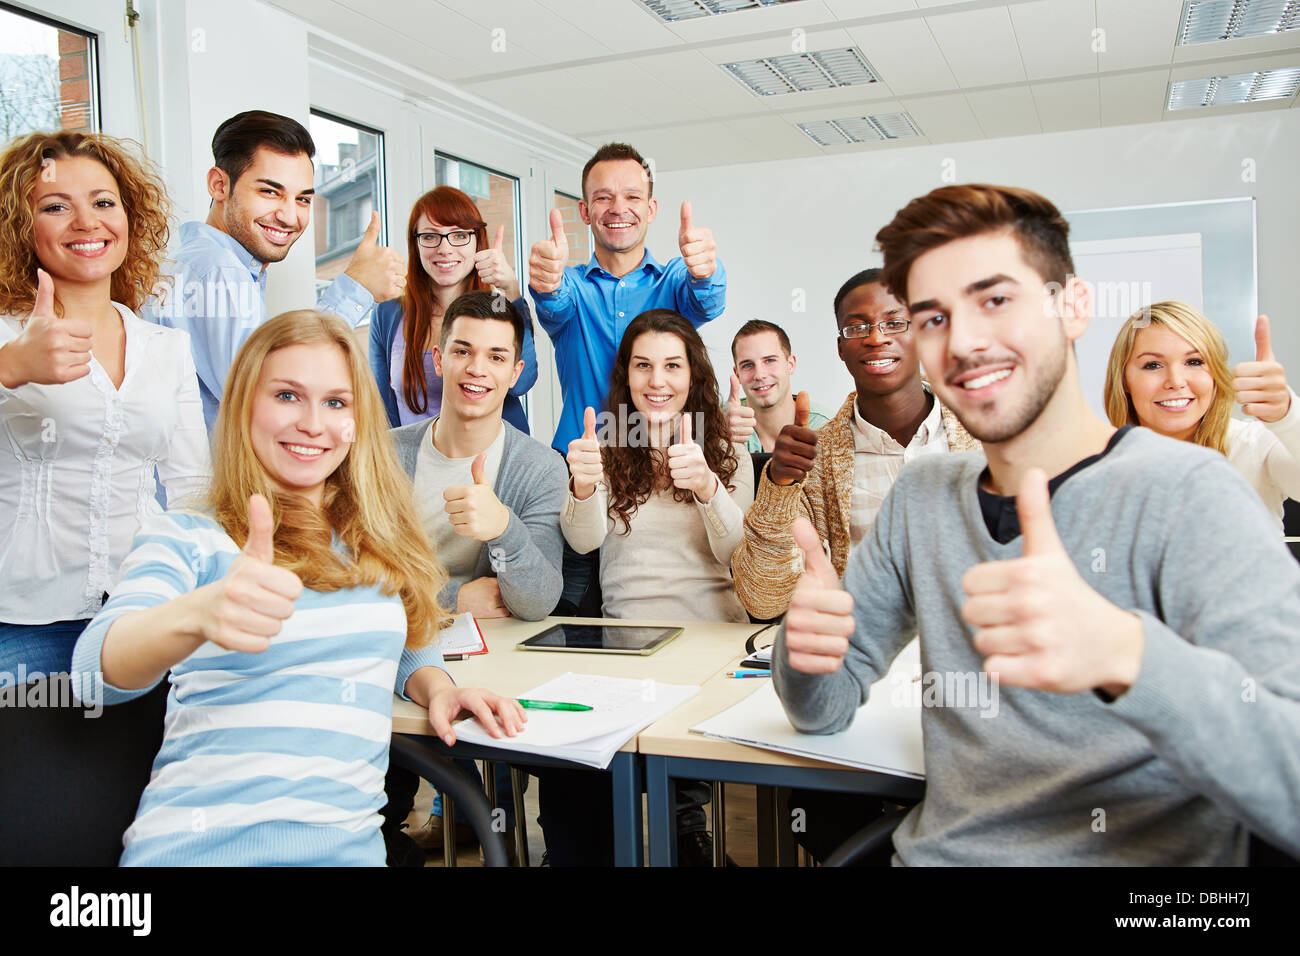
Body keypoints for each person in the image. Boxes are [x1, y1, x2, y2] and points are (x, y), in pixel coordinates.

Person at [775, 183, 1300, 865]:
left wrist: (1126, 655)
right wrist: (804, 647)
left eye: (995, 300)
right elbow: (823, 709)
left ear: (1073, 306)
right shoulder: (923, 496)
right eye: (933, 318)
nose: (963, 342)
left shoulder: (1193, 494)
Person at [70, 310, 524, 866]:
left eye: (336, 403)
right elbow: (94, 675)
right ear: (245, 406)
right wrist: (196, 616)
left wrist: (436, 687)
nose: (314, 424)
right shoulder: (191, 536)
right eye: (287, 396)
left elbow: (403, 634)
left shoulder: (375, 540)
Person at [0, 130, 209, 677]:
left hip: (142, 614)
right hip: (22, 623)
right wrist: (11, 368)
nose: (86, 223)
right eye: (54, 206)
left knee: (143, 765)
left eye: (102, 202)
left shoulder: (168, 349)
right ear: (22, 229)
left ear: (128, 216)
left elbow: (192, 490)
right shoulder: (5, 336)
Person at [555, 308, 753, 866]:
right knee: (583, 761)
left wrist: (711, 488)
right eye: (643, 366)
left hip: (712, 640)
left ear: (693, 376)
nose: (657, 381)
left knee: (676, 773)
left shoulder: (727, 448)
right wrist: (582, 483)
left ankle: (685, 834)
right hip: (628, 640)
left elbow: (741, 555)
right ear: (626, 374)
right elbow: (585, 541)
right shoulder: (607, 442)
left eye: (672, 366)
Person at [383, 290, 565, 857]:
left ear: (516, 371)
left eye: (494, 356)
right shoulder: (384, 455)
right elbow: (360, 578)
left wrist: (502, 525)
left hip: (489, 665)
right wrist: (457, 594)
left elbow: (536, 600)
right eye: (462, 351)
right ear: (438, 360)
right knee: (381, 802)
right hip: (392, 654)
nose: (476, 369)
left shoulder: (538, 467)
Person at [529, 141, 725, 614]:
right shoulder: (571, 285)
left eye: (632, 196)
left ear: (651, 208)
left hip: (656, 465)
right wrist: (544, 281)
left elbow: (707, 299)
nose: (619, 208)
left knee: (643, 599)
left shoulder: (675, 280)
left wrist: (707, 271)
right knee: (570, 608)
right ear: (584, 210)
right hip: (581, 467)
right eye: (603, 197)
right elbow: (552, 301)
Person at [731, 270, 977, 621]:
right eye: (857, 327)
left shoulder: (984, 434)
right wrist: (778, 488)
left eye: (894, 323)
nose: (876, 338)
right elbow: (762, 599)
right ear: (841, 348)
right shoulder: (819, 459)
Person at [145, 110, 405, 429]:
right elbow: (274, 394)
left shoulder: (212, 264)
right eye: (270, 192)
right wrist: (356, 288)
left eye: (303, 200)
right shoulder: (217, 269)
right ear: (218, 185)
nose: (289, 216)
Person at [1103, 301, 1300, 530]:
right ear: (1124, 380)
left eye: (1194, 362)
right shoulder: (1100, 464)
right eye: (1153, 365)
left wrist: (1286, 417)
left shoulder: (1253, 446)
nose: (1176, 381)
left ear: (1216, 374)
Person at [369, 186, 538, 434]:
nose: (445, 249)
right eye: (430, 236)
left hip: (495, 464)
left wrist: (510, 290)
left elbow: (521, 383)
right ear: (415, 244)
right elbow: (383, 413)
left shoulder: (498, 305)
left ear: (477, 242)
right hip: (415, 466)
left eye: (459, 235)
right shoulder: (388, 314)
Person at [726, 318, 831, 454]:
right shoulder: (723, 419)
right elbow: (692, 426)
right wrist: (715, 428)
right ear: (737, 374)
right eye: (747, 365)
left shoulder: (826, 426)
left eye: (769, 360)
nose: (759, 375)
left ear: (790, 364)